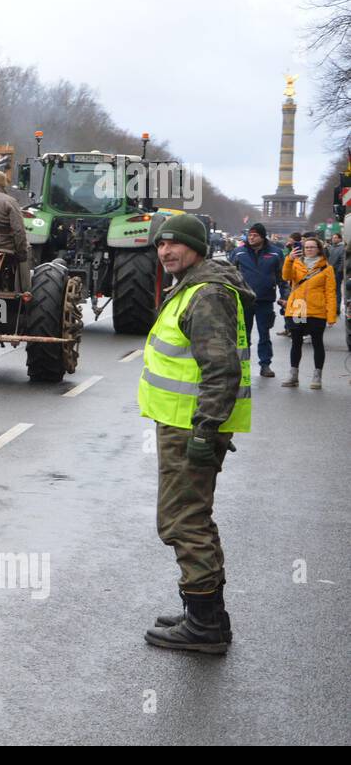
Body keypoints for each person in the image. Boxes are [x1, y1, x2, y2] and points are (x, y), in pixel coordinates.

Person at [140, 214, 252, 655]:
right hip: (184, 423)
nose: (165, 252)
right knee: (193, 515)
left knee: (182, 520)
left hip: (192, 426)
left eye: (174, 245)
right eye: (159, 246)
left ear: (197, 247)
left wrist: (205, 430)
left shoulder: (205, 294)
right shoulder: (196, 285)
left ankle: (204, 626)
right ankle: (205, 613)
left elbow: (221, 368)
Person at [226, 222, 284, 377]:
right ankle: (242, 365)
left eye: (255, 235)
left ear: (262, 236)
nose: (251, 238)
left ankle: (265, 365)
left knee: (264, 334)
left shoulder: (276, 253)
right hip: (244, 300)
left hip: (265, 300)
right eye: (249, 235)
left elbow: (282, 278)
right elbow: (229, 276)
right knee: (243, 336)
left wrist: (285, 297)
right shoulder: (238, 252)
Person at [280, 236, 336, 390]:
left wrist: (331, 315)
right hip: (298, 308)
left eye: (312, 247)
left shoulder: (327, 268)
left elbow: (330, 293)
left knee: (317, 342)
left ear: (319, 249)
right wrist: (289, 259)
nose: (309, 249)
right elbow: (286, 276)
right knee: (296, 341)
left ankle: (317, 376)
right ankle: (293, 374)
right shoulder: (296, 263)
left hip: (317, 311)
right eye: (306, 247)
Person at [326, 232, 345, 315]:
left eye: (336, 238)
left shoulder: (342, 248)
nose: (334, 239)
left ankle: (337, 308)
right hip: (329, 272)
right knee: (330, 290)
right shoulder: (331, 247)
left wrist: (339, 271)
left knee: (337, 290)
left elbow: (343, 260)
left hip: (337, 272)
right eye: (333, 238)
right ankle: (331, 307)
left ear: (340, 239)